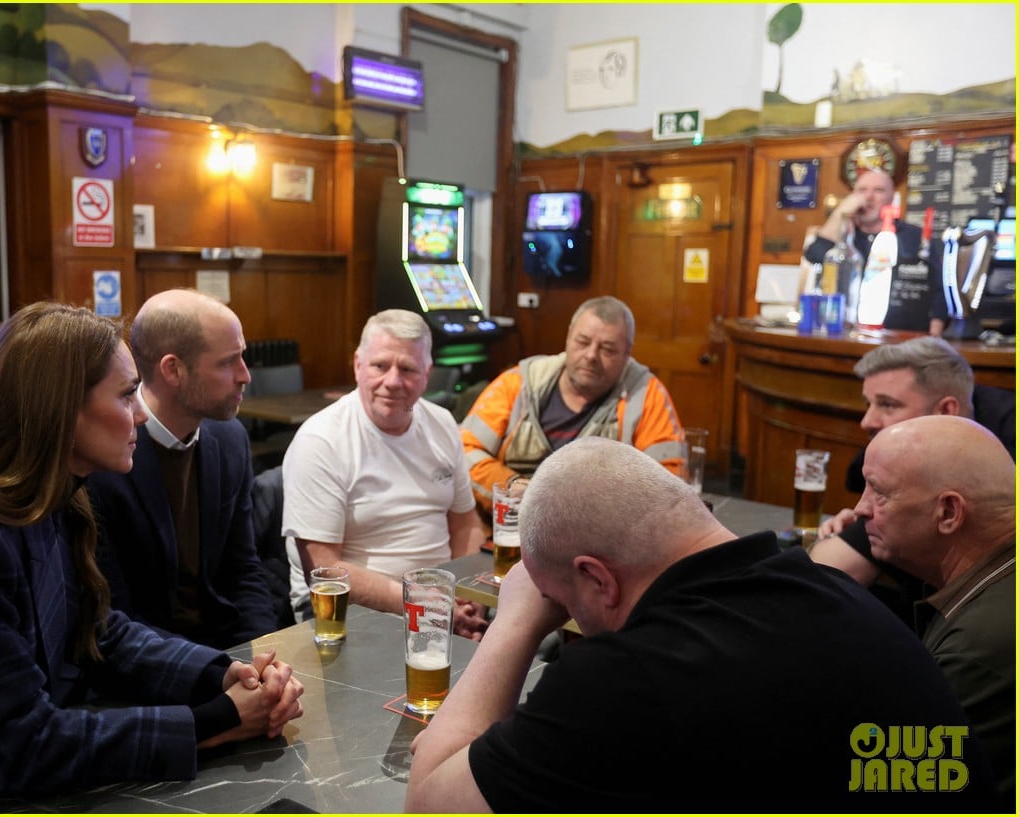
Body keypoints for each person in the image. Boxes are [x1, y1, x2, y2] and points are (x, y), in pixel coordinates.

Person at [0, 302, 304, 799]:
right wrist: (218, 719)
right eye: (127, 393)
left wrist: (220, 675)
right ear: (60, 410)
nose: (140, 412)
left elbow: (100, 629)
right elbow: (23, 748)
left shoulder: (58, 499)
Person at [405, 436, 998, 812]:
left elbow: (429, 802)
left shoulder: (633, 678)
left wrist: (517, 619)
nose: (570, 619)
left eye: (564, 601)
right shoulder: (833, 590)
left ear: (599, 579)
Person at [88, 289, 282, 649]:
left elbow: (243, 569)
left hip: (225, 651)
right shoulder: (105, 454)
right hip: (147, 662)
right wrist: (216, 676)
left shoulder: (229, 438)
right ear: (173, 370)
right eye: (229, 362)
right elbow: (112, 615)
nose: (246, 376)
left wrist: (264, 656)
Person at [281, 309, 487, 638]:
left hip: (440, 605)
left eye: (407, 369)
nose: (392, 382)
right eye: (380, 366)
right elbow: (324, 569)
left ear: (427, 373)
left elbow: (465, 523)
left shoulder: (443, 424)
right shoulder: (320, 440)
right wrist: (424, 605)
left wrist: (468, 593)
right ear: (358, 365)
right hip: (346, 613)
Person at [853, 415, 1014, 803]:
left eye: (878, 492)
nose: (860, 509)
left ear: (948, 513)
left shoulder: (977, 648)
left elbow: (898, 787)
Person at [810, 336, 1015, 619]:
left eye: (888, 405)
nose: (867, 421)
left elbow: (822, 577)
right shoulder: (899, 444)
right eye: (868, 403)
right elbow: (826, 573)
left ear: (946, 411)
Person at [460, 295, 684, 517]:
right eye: (583, 342)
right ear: (568, 338)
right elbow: (463, 450)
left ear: (627, 354)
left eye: (607, 349)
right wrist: (512, 486)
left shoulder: (646, 395)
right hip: (508, 527)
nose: (591, 356)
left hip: (599, 535)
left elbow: (668, 484)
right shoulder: (520, 383)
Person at [803, 164, 945, 334]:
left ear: (891, 198)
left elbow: (939, 289)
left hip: (903, 336)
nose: (869, 197)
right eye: (862, 191)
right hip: (848, 332)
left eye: (878, 190)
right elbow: (815, 254)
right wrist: (841, 213)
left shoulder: (914, 236)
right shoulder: (846, 237)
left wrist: (934, 338)